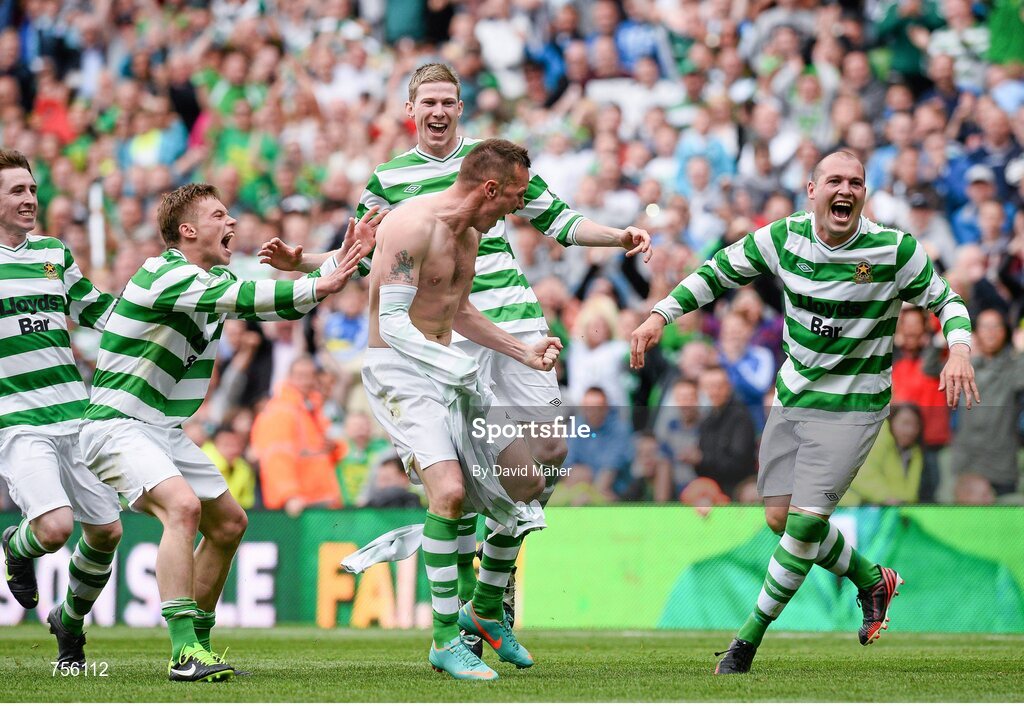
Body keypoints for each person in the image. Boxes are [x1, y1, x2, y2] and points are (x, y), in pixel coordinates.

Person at [259, 64, 652, 616]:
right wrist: (300, 261)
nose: (439, 111)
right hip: (445, 332)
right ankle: (479, 601)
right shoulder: (389, 179)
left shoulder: (492, 164)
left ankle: (493, 577)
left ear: (460, 108)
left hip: (513, 322)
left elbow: (559, 220)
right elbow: (365, 249)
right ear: (411, 110)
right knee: (464, 474)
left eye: (448, 101)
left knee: (551, 450)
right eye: (429, 102)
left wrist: (618, 236)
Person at [631, 150, 979, 674]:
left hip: (854, 405)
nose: (846, 190)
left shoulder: (892, 249)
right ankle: (870, 578)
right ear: (811, 189)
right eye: (834, 180)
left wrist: (959, 349)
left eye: (856, 182)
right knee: (779, 519)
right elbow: (719, 271)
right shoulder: (782, 237)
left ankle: (745, 643)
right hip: (794, 396)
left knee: (804, 523)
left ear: (865, 193)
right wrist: (661, 313)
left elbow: (947, 301)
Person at [77, 183, 365, 682]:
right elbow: (251, 297)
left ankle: (201, 646)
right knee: (183, 506)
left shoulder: (210, 279)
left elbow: (278, 306)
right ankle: (183, 651)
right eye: (219, 215)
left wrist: (336, 262)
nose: (231, 223)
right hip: (114, 422)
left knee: (229, 524)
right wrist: (322, 280)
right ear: (187, 231)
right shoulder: (163, 274)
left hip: (159, 429)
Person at [360, 138, 561, 680]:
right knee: (448, 492)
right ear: (491, 189)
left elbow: (461, 311)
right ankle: (446, 639)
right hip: (399, 370)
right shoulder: (410, 226)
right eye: (516, 195)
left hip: (448, 366)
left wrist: (525, 352)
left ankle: (486, 608)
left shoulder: (470, 234)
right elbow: (395, 322)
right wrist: (454, 367)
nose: (520, 206)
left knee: (527, 478)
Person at [0, 149, 123, 670]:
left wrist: (155, 314)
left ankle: (69, 622)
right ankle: (16, 544)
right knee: (53, 529)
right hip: (19, 422)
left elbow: (95, 309)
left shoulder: (53, 252)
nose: (31, 199)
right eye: (17, 192)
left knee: (107, 533)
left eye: (32, 189)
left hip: (77, 415)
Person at [250, 356, 343, 515]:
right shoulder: (282, 411)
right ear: (290, 378)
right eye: (300, 376)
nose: (306, 382)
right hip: (300, 506)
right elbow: (276, 455)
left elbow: (321, 454)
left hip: (322, 502)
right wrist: (289, 495)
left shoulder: (314, 410)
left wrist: (335, 448)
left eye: (310, 376)